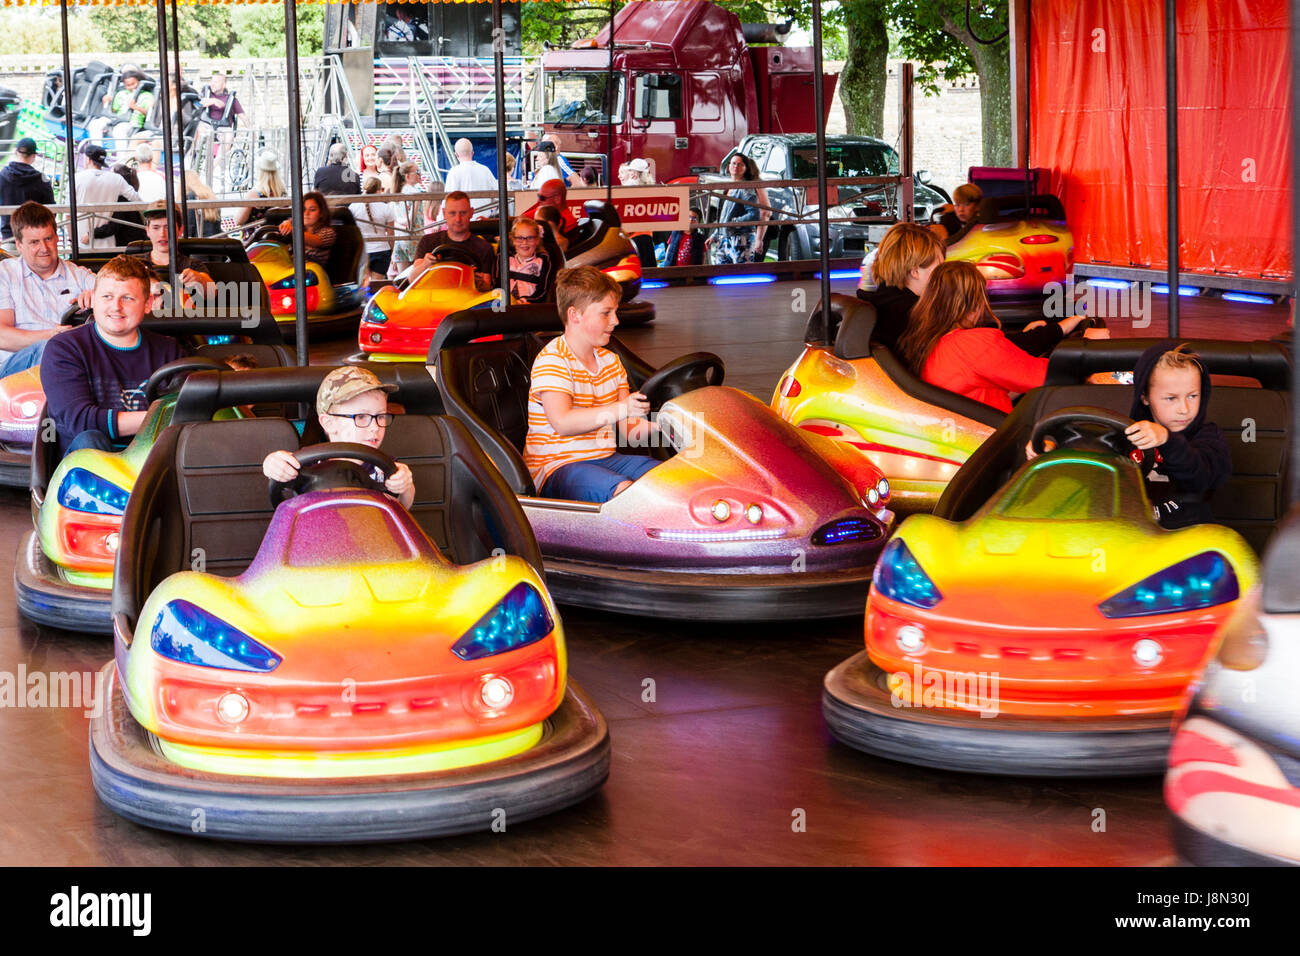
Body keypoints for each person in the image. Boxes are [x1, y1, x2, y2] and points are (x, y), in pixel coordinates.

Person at [859, 221, 1101, 355]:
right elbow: (985, 349)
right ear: (914, 271)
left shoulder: (884, 302)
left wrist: (1028, 335)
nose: (942, 273)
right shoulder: (917, 312)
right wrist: (1063, 330)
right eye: (938, 265)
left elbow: (984, 342)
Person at [524, 267, 658, 502]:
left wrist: (673, 425)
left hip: (604, 458)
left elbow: (629, 429)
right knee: (626, 495)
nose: (615, 321)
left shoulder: (611, 361)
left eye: (615, 312)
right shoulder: (553, 360)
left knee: (671, 479)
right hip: (556, 466)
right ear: (575, 315)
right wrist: (623, 408)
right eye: (606, 313)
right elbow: (563, 422)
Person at [41, 255, 187, 456]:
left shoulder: (170, 351)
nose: (116, 306)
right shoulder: (65, 349)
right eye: (107, 296)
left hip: (156, 461)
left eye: (128, 298)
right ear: (93, 299)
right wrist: (161, 418)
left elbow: (189, 410)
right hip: (91, 472)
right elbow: (80, 421)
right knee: (91, 439)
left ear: (147, 303)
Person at [896, 260, 1047, 413]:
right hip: (994, 432)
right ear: (974, 303)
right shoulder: (971, 344)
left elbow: (980, 388)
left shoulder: (921, 341)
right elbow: (1046, 376)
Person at [262, 366, 414, 509]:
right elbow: (280, 471)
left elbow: (403, 507)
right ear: (329, 423)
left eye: (380, 416)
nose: (375, 426)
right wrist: (273, 464)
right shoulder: (306, 463)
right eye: (361, 417)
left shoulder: (386, 467)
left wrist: (405, 486)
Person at [1125, 343, 1232, 529]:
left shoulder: (1208, 437)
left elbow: (1200, 477)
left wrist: (1167, 440)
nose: (1184, 409)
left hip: (1189, 538)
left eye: (1192, 396)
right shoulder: (1124, 436)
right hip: (1134, 539)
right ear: (1145, 397)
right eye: (1171, 398)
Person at [0, 202, 96, 377]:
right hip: (14, 370)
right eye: (34, 242)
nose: (44, 248)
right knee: (50, 350)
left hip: (71, 362)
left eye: (48, 238)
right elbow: (2, 336)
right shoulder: (5, 274)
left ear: (57, 237)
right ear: (19, 245)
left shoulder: (78, 275)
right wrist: (52, 336)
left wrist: (100, 296)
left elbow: (117, 290)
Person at [410, 191, 496, 290]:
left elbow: (487, 287)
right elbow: (412, 279)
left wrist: (479, 283)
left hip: (466, 301)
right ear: (444, 213)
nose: (458, 219)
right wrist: (425, 265)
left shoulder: (484, 248)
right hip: (432, 298)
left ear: (471, 213)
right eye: (452, 213)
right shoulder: (428, 241)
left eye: (463, 213)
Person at [135, 200, 216, 300]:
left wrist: (199, 279)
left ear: (180, 230)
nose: (162, 234)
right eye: (156, 228)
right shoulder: (134, 264)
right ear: (148, 231)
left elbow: (212, 293)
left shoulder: (192, 265)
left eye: (168, 227)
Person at [76, 143, 143, 249]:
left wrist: (89, 234)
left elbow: (113, 227)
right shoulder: (119, 185)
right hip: (119, 243)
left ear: (87, 159)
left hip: (122, 246)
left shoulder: (77, 178)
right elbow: (138, 200)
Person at [708, 153, 768, 265]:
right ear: (729, 166)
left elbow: (755, 214)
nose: (736, 166)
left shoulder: (746, 189)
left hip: (742, 239)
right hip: (725, 239)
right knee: (721, 276)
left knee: (742, 276)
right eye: (734, 163)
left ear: (746, 168)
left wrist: (734, 222)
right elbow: (724, 217)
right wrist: (716, 234)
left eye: (740, 164)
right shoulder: (729, 188)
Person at [0, 138, 55, 249]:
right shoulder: (41, 179)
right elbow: (52, 211)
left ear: (16, 151)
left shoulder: (2, 176)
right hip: (35, 240)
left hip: (9, 238)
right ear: (34, 156)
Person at [351, 174, 396, 280]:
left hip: (361, 250)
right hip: (382, 250)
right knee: (377, 285)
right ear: (378, 190)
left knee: (363, 285)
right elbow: (391, 234)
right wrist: (392, 251)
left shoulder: (353, 207)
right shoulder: (386, 208)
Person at [92, 164, 147, 249]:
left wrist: (92, 233)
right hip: (135, 244)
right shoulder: (129, 198)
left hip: (130, 247)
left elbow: (113, 227)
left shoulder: (122, 201)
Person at [441, 137, 498, 219]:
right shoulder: (485, 170)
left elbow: (448, 200)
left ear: (456, 154)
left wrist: (439, 222)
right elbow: (497, 195)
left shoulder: (454, 172)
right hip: (484, 221)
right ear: (472, 153)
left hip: (463, 221)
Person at [277, 191, 336, 266]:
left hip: (312, 273)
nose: (306, 213)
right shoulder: (295, 226)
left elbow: (316, 240)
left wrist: (291, 230)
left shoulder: (328, 233)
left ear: (321, 213)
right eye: (303, 209)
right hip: (289, 270)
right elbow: (289, 222)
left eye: (312, 210)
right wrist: (285, 225)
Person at [232, 150, 285, 228]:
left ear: (260, 172)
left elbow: (238, 221)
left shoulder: (254, 194)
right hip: (277, 237)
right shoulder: (283, 192)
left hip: (256, 237)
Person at [389, 161, 424, 279]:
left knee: (402, 280)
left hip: (400, 239)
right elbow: (411, 220)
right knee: (416, 278)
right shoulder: (415, 193)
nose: (420, 174)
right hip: (414, 238)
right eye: (417, 172)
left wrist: (399, 223)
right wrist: (404, 223)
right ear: (408, 176)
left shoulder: (396, 193)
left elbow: (393, 219)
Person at [508, 218, 553, 303]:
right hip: (504, 305)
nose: (524, 242)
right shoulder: (506, 260)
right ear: (513, 240)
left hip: (529, 307)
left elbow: (544, 291)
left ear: (537, 240)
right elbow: (496, 284)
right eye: (520, 238)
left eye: (530, 238)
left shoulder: (542, 261)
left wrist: (525, 300)